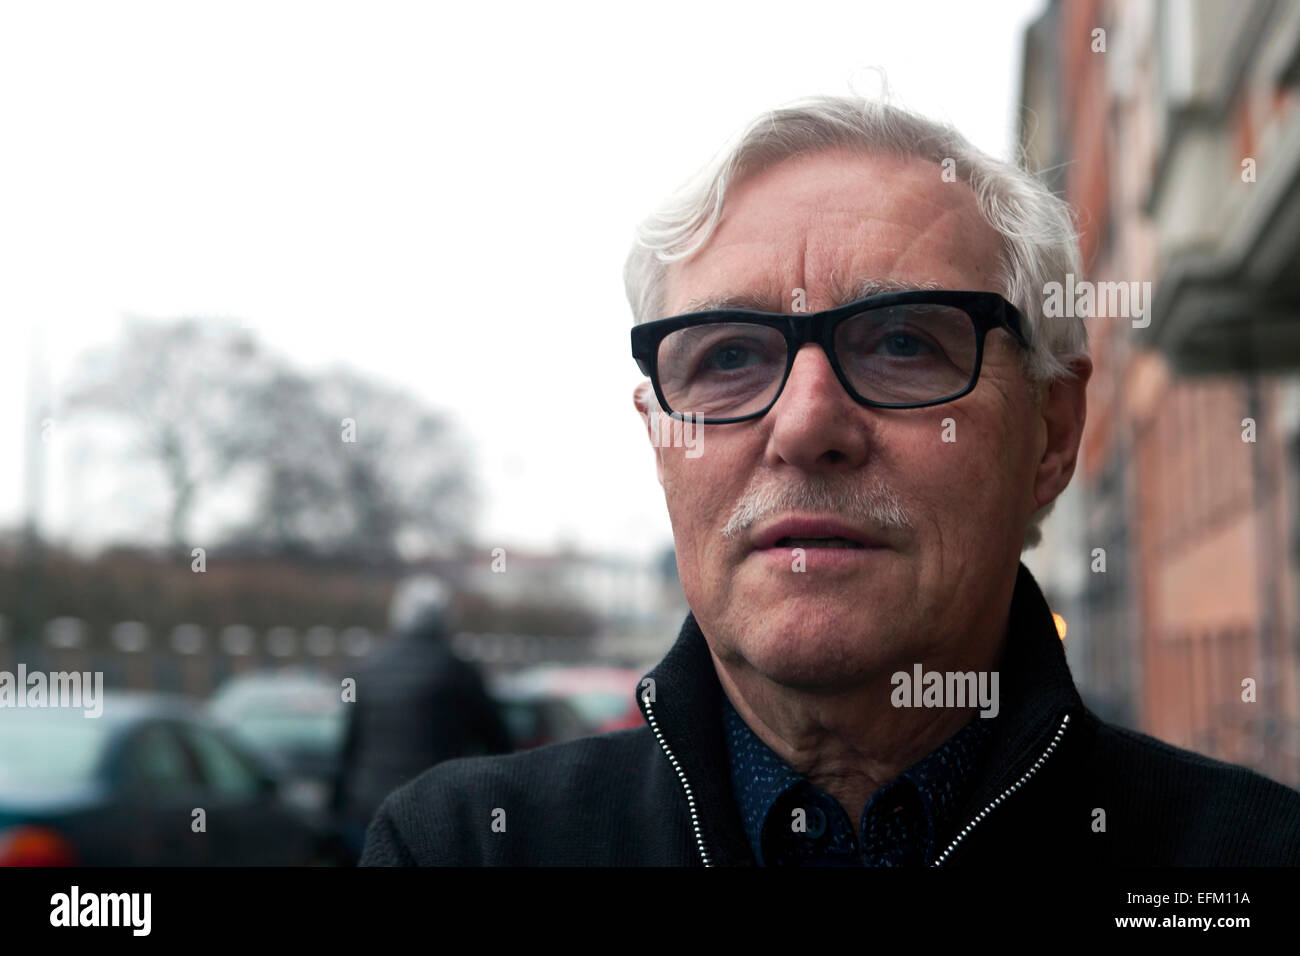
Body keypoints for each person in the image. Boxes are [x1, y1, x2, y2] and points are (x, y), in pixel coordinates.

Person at [359, 95, 1300, 866]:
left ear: (1052, 433)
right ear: (661, 443)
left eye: (902, 343)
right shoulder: (463, 851)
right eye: (728, 358)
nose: (806, 426)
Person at [332, 574, 511, 862]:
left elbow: (349, 747)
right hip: (435, 811)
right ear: (446, 618)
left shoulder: (366, 669)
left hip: (367, 810)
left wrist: (337, 808)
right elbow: (498, 745)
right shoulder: (460, 671)